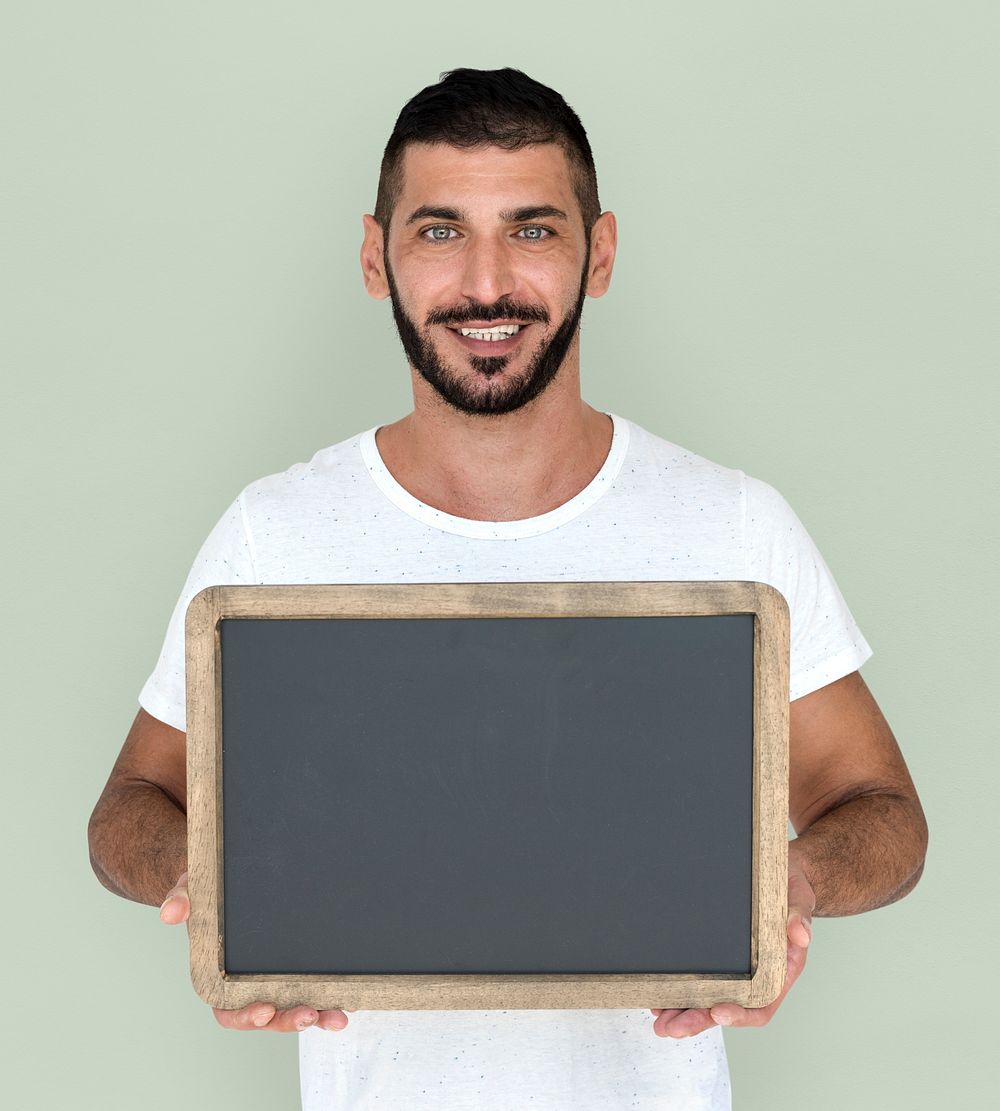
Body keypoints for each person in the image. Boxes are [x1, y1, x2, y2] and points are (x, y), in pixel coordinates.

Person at [88, 67, 927, 1110]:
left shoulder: (733, 523)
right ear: (372, 257)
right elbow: (131, 805)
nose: (486, 284)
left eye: (532, 230)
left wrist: (791, 881)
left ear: (600, 254)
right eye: (439, 232)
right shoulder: (276, 531)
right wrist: (208, 874)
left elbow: (883, 810)